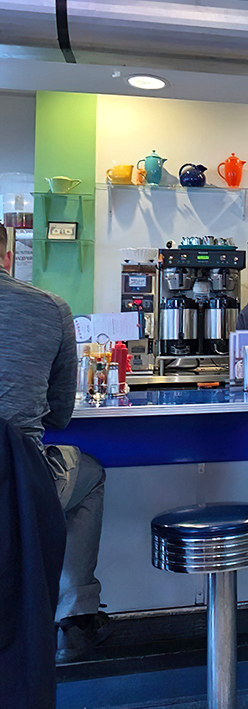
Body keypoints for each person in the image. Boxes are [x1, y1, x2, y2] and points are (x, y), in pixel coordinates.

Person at [0, 222, 107, 662]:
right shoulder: (49, 308)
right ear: (7, 256)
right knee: (92, 475)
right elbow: (60, 415)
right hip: (18, 482)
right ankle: (75, 617)